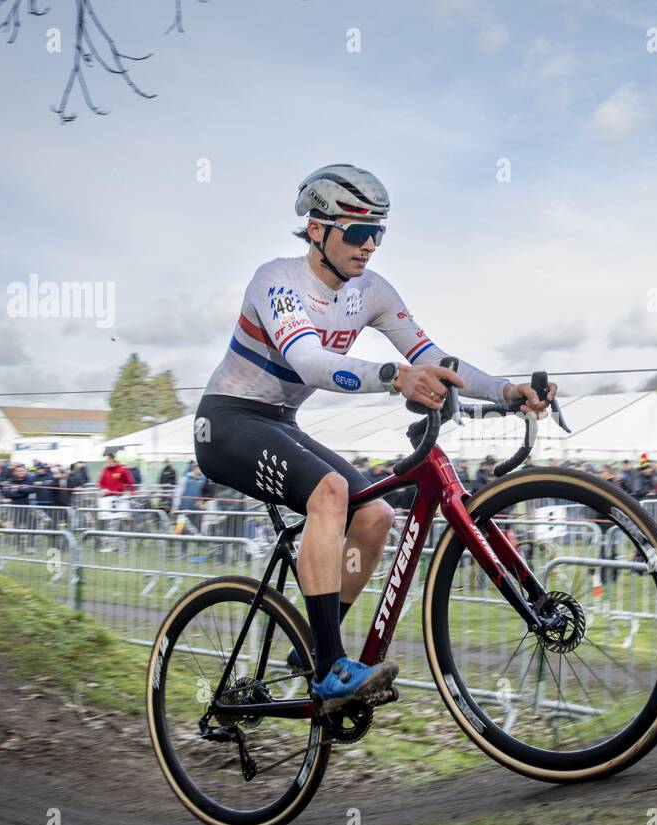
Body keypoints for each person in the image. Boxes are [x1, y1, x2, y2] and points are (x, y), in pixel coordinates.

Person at [191, 164, 556, 712]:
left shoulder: (372, 291)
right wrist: (392, 376)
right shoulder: (277, 280)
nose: (369, 246)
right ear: (317, 229)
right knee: (331, 493)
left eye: (377, 233)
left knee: (377, 514)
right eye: (357, 232)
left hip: (280, 423)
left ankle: (316, 645)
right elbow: (310, 362)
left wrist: (505, 390)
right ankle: (332, 667)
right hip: (227, 422)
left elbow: (432, 356)